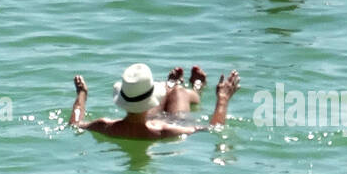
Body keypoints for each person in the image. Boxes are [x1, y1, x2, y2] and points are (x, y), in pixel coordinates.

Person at [69, 63, 239, 140]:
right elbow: (214, 129)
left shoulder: (104, 126)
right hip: (174, 120)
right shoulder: (165, 131)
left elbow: (74, 124)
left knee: (171, 92)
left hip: (145, 120)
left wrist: (81, 95)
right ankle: (192, 89)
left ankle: (171, 85)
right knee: (180, 94)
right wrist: (222, 100)